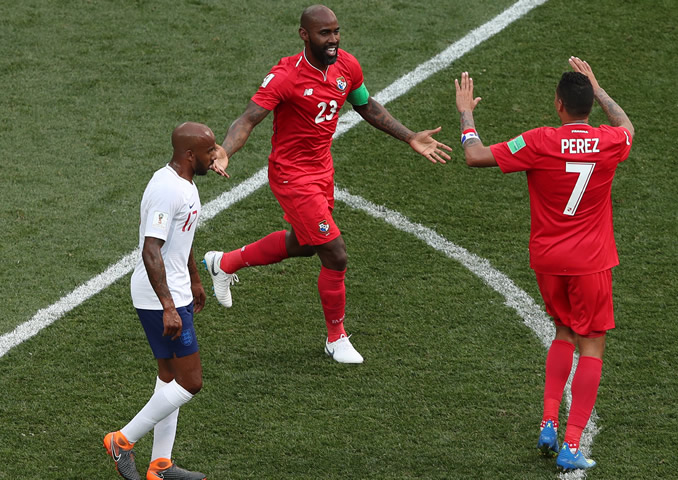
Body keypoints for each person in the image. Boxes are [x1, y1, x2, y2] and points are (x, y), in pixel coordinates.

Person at [202, 4, 452, 364]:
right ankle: (336, 338)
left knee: (305, 245)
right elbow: (248, 119)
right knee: (335, 252)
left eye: (336, 31)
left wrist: (409, 135)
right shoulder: (285, 76)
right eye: (325, 33)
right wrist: (225, 151)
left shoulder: (346, 65)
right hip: (291, 175)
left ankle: (224, 263)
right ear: (304, 35)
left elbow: (366, 105)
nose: (333, 39)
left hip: (322, 171)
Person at [455, 57, 634, 471]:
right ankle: (571, 446)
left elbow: (475, 156)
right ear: (589, 103)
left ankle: (549, 424)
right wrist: (599, 88)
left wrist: (466, 113)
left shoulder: (537, 141)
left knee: (562, 332)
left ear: (558, 104)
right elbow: (627, 127)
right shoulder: (609, 142)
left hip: (548, 260)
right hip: (591, 262)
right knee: (592, 344)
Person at [104, 122, 222, 480]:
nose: (215, 155)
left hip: (176, 290)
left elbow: (179, 239)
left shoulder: (186, 183)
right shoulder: (166, 189)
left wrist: (196, 278)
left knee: (170, 378)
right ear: (189, 155)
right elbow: (151, 249)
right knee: (191, 382)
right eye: (209, 151)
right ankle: (121, 440)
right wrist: (170, 306)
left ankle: (160, 466)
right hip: (159, 298)